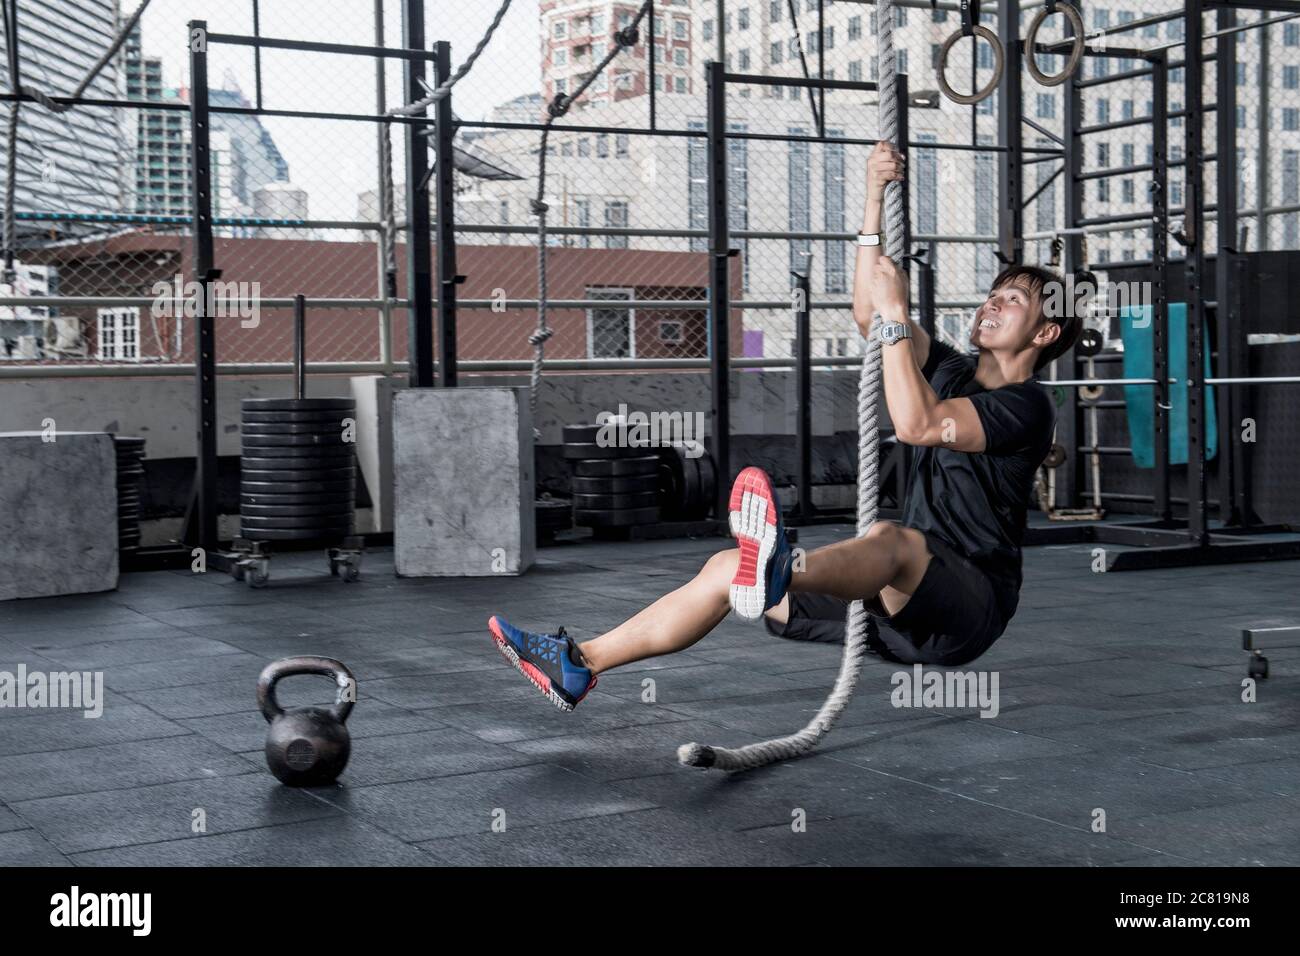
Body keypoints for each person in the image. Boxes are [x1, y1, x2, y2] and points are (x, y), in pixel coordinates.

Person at [487, 140, 1084, 711]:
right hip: (893, 614)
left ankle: (782, 568)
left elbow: (917, 425)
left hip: (966, 606)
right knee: (727, 569)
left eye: (1012, 300)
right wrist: (874, 198)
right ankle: (580, 663)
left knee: (894, 539)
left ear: (1046, 331)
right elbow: (867, 314)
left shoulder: (1028, 406)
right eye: (993, 293)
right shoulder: (951, 368)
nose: (991, 303)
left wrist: (900, 315)